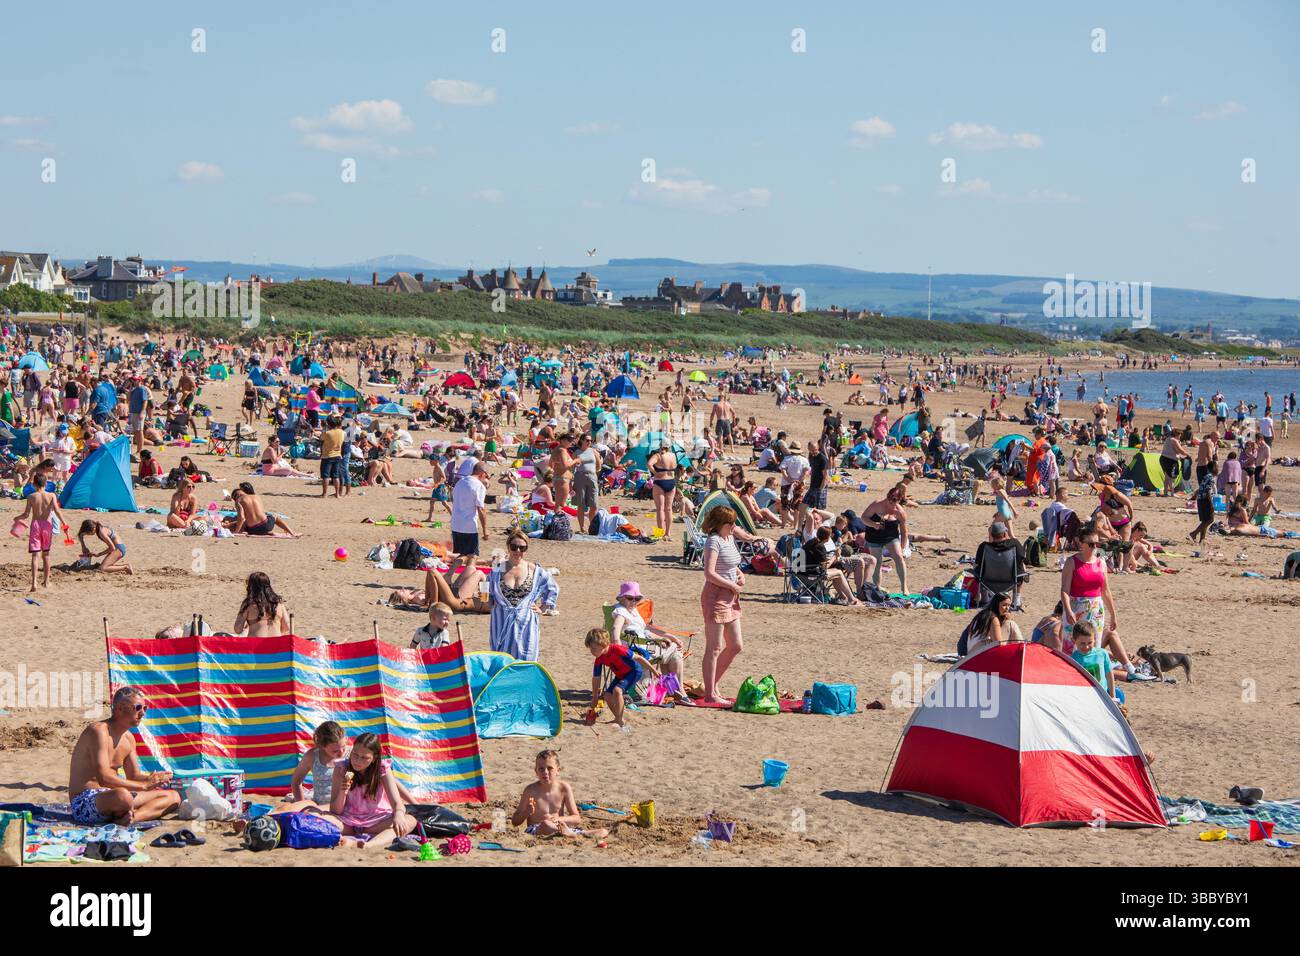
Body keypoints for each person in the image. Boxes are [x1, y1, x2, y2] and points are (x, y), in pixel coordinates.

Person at [67, 687, 181, 825]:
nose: (142, 713)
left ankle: (132, 818)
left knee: (173, 796)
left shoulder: (129, 738)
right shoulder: (98, 731)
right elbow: (104, 778)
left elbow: (133, 776)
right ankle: (126, 811)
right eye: (138, 707)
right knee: (123, 796)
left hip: (116, 797)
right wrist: (144, 786)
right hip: (86, 801)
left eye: (145, 708)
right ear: (120, 708)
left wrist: (153, 778)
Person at [325, 732, 416, 848]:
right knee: (321, 819)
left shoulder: (382, 769)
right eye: (355, 754)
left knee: (410, 820)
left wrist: (398, 815)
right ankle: (361, 838)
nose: (357, 761)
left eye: (364, 758)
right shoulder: (341, 769)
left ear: (374, 758)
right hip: (348, 823)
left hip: (376, 822)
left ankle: (369, 844)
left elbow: (396, 803)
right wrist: (343, 792)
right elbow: (335, 811)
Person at [608, 580, 691, 703]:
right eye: (630, 598)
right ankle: (677, 690)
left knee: (670, 647)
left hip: (643, 647)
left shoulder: (632, 610)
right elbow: (616, 628)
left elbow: (644, 630)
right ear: (621, 598)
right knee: (674, 650)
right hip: (636, 653)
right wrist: (619, 649)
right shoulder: (621, 611)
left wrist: (666, 636)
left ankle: (670, 689)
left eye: (637, 599)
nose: (634, 602)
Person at [487, 530, 559, 661]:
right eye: (514, 547)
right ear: (508, 546)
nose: (518, 551)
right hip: (501, 624)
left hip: (526, 626)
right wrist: (489, 603)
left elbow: (552, 588)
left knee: (525, 662)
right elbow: (486, 589)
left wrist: (543, 608)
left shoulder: (534, 570)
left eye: (522, 547)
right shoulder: (498, 569)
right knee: (501, 663)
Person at [699, 505, 745, 704]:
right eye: (730, 523)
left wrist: (739, 574)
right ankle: (710, 693)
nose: (734, 526)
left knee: (735, 645)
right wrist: (731, 585)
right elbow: (709, 573)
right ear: (720, 524)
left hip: (730, 596)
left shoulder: (729, 538)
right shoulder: (713, 541)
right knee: (714, 647)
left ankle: (711, 685)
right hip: (716, 596)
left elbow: (731, 564)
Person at [509, 749, 608, 838]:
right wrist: (527, 812)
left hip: (560, 826)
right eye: (541, 769)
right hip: (536, 829)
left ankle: (573, 833)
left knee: (603, 831)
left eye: (550, 768)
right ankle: (570, 834)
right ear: (536, 771)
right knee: (546, 824)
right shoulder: (530, 790)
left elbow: (576, 818)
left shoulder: (563, 788)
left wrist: (558, 819)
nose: (545, 772)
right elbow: (515, 821)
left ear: (558, 770)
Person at [586, 627, 658, 727]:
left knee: (617, 690)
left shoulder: (617, 649)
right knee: (607, 695)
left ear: (603, 644)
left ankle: (619, 720)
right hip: (621, 675)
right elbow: (596, 678)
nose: (591, 651)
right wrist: (595, 697)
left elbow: (639, 658)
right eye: (590, 649)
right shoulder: (599, 659)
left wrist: (653, 670)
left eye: (593, 648)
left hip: (634, 671)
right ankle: (618, 717)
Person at [1060, 527, 1117, 641]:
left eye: (1097, 543)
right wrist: (1068, 610)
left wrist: (1113, 615)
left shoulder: (1101, 563)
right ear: (1081, 544)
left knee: (1093, 645)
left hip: (1096, 610)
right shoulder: (1071, 562)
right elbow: (1065, 590)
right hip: (1076, 608)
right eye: (1091, 544)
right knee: (1072, 646)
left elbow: (1105, 591)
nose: (1095, 547)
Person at [15, 467, 67, 592]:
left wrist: (17, 518)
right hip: (47, 526)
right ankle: (46, 581)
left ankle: (34, 583)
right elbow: (57, 510)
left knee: (35, 556)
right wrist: (64, 523)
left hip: (36, 526)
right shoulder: (51, 495)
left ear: (34, 484)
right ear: (45, 483)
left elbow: (26, 515)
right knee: (46, 555)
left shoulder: (31, 496)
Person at [861, 484, 909, 594]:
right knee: (877, 562)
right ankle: (878, 587)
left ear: (899, 500)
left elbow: (904, 531)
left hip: (891, 536)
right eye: (889, 497)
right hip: (874, 536)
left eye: (894, 499)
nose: (890, 500)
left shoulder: (900, 512)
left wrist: (903, 547)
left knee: (899, 557)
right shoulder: (877, 504)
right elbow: (863, 517)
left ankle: (904, 586)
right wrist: (874, 524)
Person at [287, 720, 347, 806]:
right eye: (335, 751)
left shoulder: (352, 755)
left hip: (345, 806)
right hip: (320, 806)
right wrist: (302, 804)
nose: (341, 753)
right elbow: (296, 782)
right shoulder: (312, 756)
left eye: (343, 747)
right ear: (322, 746)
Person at [451, 459, 489, 558]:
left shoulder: (460, 482)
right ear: (482, 473)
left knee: (463, 555)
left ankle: (451, 573)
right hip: (469, 526)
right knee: (472, 556)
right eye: (486, 475)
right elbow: (480, 509)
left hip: (456, 524)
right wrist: (485, 530)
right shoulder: (479, 486)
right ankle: (450, 573)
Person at [233, 571, 292, 636]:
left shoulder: (248, 604)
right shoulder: (278, 603)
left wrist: (248, 628)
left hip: (255, 644)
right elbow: (287, 627)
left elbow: (237, 629)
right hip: (276, 643)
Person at [231, 482, 300, 536]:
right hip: (266, 526)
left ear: (236, 497)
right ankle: (292, 532)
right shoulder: (257, 497)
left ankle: (240, 531)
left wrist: (236, 532)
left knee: (244, 522)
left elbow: (242, 518)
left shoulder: (239, 500)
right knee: (275, 516)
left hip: (253, 530)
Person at [647, 440, 678, 541]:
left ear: (661, 445)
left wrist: (655, 473)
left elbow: (649, 464)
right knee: (669, 509)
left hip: (660, 482)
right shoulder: (673, 455)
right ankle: (668, 533)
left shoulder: (658, 455)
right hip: (671, 482)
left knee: (660, 509)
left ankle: (660, 533)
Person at [572, 432, 601, 534]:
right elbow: (572, 467)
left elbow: (599, 465)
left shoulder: (593, 451)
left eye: (590, 440)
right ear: (582, 441)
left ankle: (592, 527)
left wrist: (593, 472)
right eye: (587, 440)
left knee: (594, 504)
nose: (589, 442)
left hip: (592, 476)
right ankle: (582, 527)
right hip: (580, 476)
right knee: (581, 503)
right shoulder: (577, 452)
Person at [1187, 460, 1219, 545]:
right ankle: (1194, 533)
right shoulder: (1211, 477)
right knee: (1210, 520)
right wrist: (1212, 504)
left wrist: (1194, 496)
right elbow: (1208, 491)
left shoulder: (1206, 476)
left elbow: (1200, 488)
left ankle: (1202, 540)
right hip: (1206, 500)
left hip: (1201, 500)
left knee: (1205, 521)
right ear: (1213, 468)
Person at [319, 415, 345, 498]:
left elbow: (321, 438)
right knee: (335, 476)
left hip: (327, 456)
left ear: (328, 424)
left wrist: (326, 427)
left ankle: (325, 493)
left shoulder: (327, 433)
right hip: (337, 455)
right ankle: (337, 494)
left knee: (325, 476)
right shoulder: (341, 432)